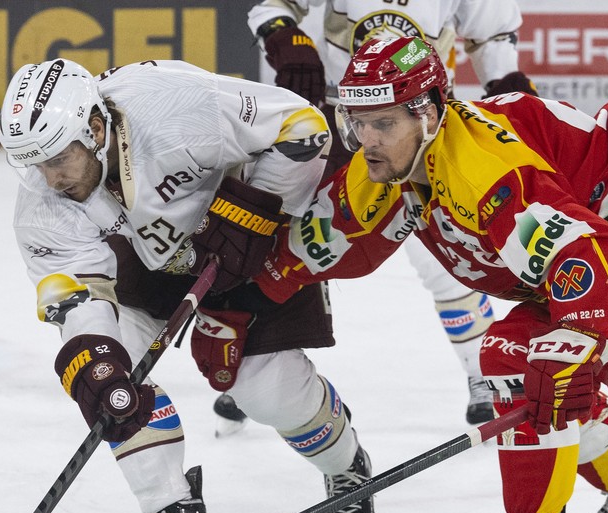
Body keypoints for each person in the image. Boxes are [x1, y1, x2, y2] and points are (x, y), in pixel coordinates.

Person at [255, 36, 608, 513]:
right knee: (534, 367)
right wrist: (242, 302)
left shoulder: (482, 170)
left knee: (525, 360)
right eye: (357, 120)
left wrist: (576, 334)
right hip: (596, 224)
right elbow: (331, 233)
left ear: (428, 113)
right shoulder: (393, 161)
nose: (366, 138)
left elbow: (588, 250)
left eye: (384, 122)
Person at [0, 57, 377, 513]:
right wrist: (96, 361)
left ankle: (347, 468)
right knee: (108, 376)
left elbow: (302, 129)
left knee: (263, 391)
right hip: (154, 261)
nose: (50, 179)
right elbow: (74, 296)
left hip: (252, 246)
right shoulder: (44, 201)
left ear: (96, 130)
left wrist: (252, 218)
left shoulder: (171, 105)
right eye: (34, 165)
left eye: (58, 159)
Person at [213, 0, 541, 432]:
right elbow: (272, 5)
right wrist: (283, 35)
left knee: (446, 249)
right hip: (340, 120)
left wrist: (505, 80)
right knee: (298, 239)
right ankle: (265, 364)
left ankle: (481, 373)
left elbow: (492, 31)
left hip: (420, 127)